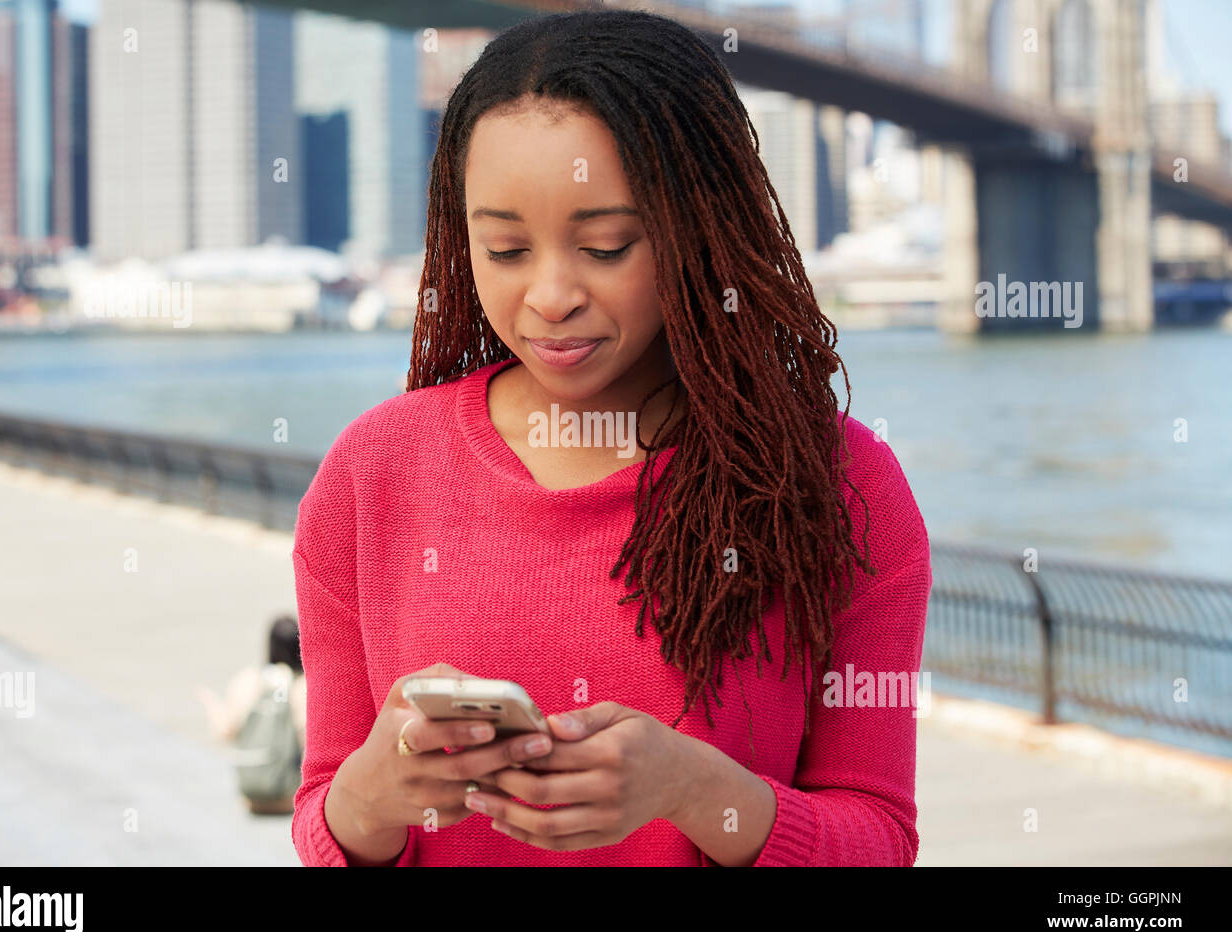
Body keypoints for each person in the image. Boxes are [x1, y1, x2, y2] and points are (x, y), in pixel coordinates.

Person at [291, 9, 931, 866]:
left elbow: (879, 838)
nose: (551, 295)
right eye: (506, 249)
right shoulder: (371, 475)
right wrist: (369, 798)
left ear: (703, 229)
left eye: (605, 245)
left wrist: (696, 791)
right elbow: (326, 817)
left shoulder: (843, 484)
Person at [197, 615, 307, 813]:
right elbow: (308, 739)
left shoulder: (248, 680)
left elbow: (225, 731)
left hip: (251, 797)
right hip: (291, 798)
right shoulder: (304, 687)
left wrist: (211, 703)